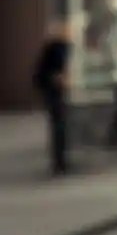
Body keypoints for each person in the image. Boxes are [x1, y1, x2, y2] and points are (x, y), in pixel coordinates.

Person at [33, 20, 73, 176]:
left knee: (59, 126)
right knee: (59, 126)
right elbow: (50, 72)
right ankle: (59, 163)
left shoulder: (56, 48)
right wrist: (58, 78)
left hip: (53, 91)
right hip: (53, 91)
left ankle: (60, 162)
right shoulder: (56, 48)